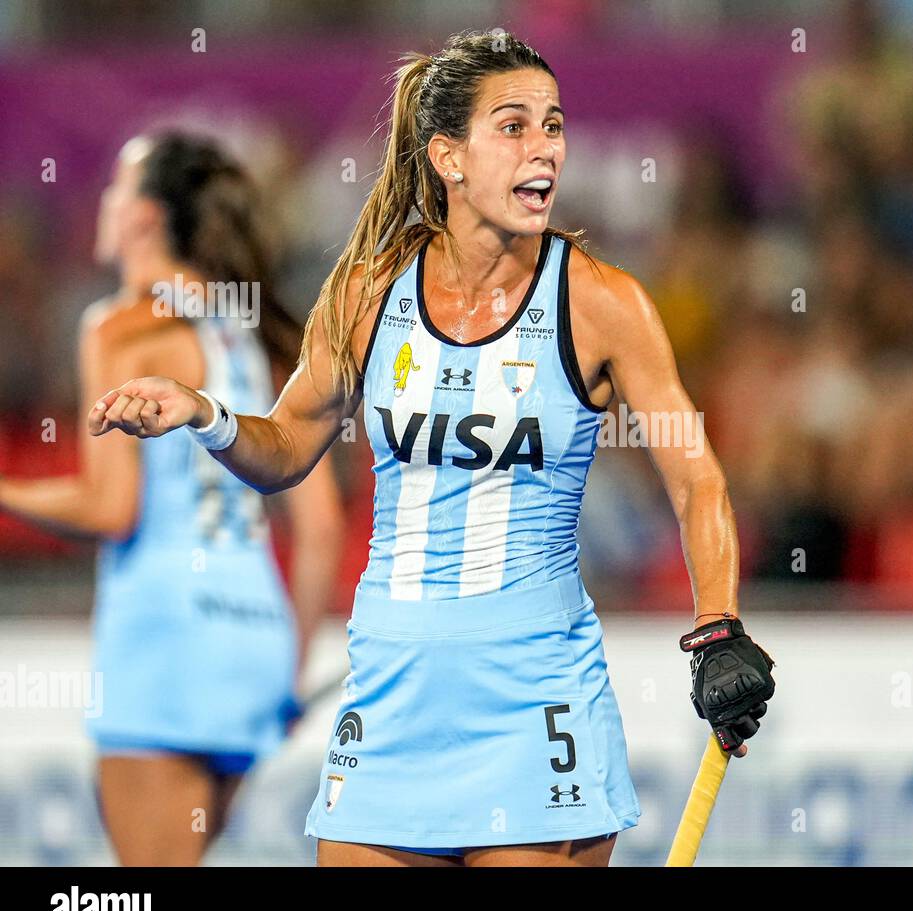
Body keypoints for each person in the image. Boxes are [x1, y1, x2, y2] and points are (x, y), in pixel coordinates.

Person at [87, 30, 775, 868]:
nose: (546, 149)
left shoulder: (604, 303)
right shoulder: (371, 290)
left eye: (554, 125)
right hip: (390, 693)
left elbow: (696, 480)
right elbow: (287, 445)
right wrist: (204, 413)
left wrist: (717, 627)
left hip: (533, 702)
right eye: (514, 126)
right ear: (448, 156)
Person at [0, 131, 344, 865]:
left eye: (117, 188)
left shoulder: (120, 326)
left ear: (146, 218)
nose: (102, 202)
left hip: (166, 645)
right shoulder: (252, 336)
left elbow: (109, 509)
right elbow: (319, 528)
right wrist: (287, 671)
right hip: (255, 648)